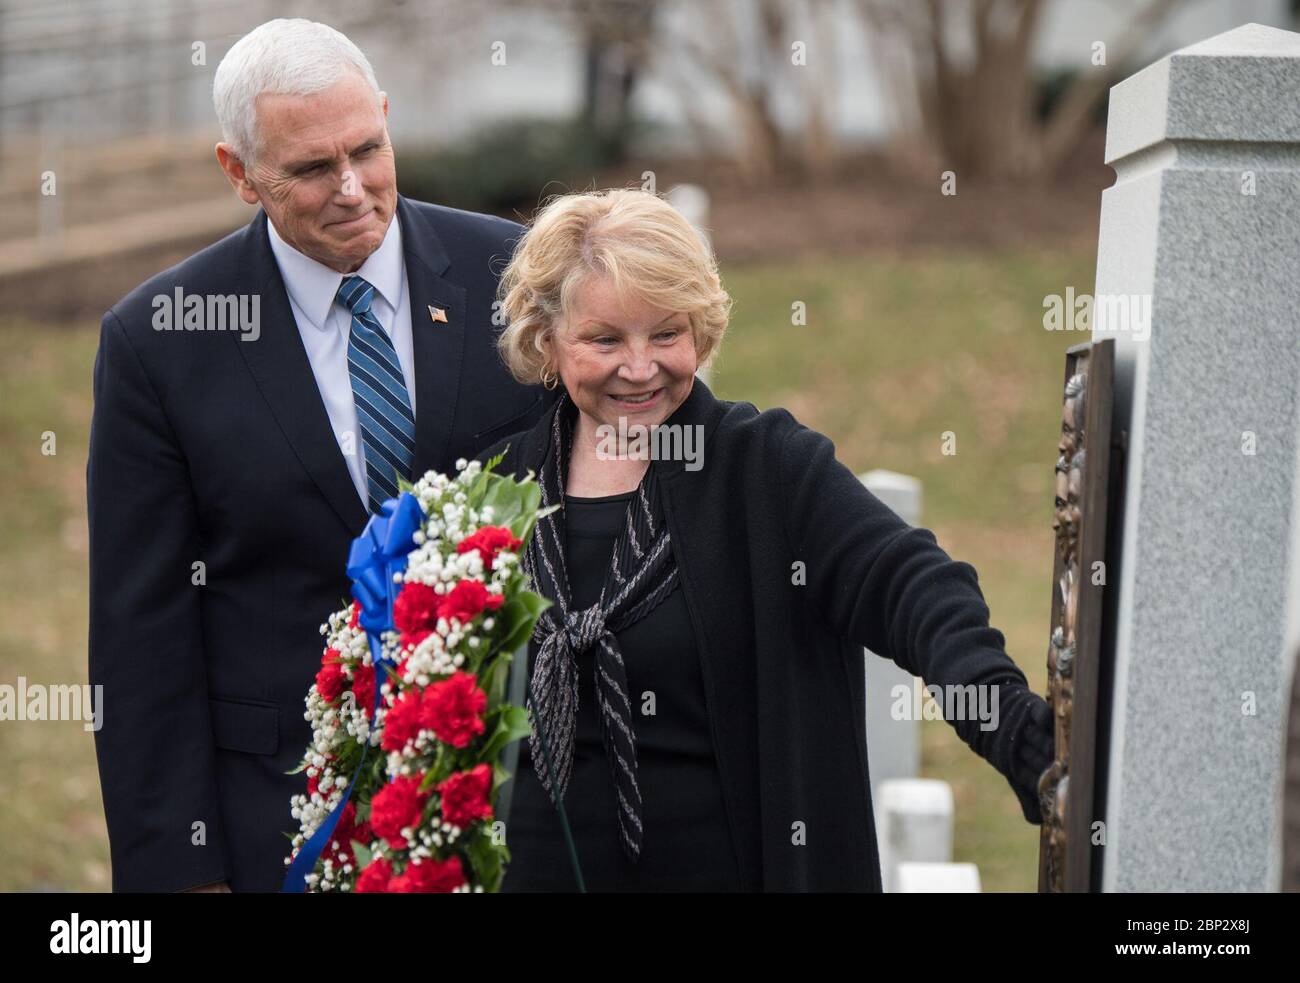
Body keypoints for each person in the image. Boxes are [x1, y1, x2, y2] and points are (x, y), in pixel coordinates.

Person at [87, 18, 557, 893]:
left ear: (384, 116)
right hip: (274, 817)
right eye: (309, 168)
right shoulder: (160, 341)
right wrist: (180, 874)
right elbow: (139, 635)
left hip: (509, 801)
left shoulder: (515, 276)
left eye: (368, 149)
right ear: (239, 173)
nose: (351, 188)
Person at [475, 187, 1054, 891]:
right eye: (604, 339)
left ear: (703, 330)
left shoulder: (766, 470)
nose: (639, 367)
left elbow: (910, 582)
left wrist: (1020, 734)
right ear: (548, 338)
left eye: (666, 334)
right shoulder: (492, 489)